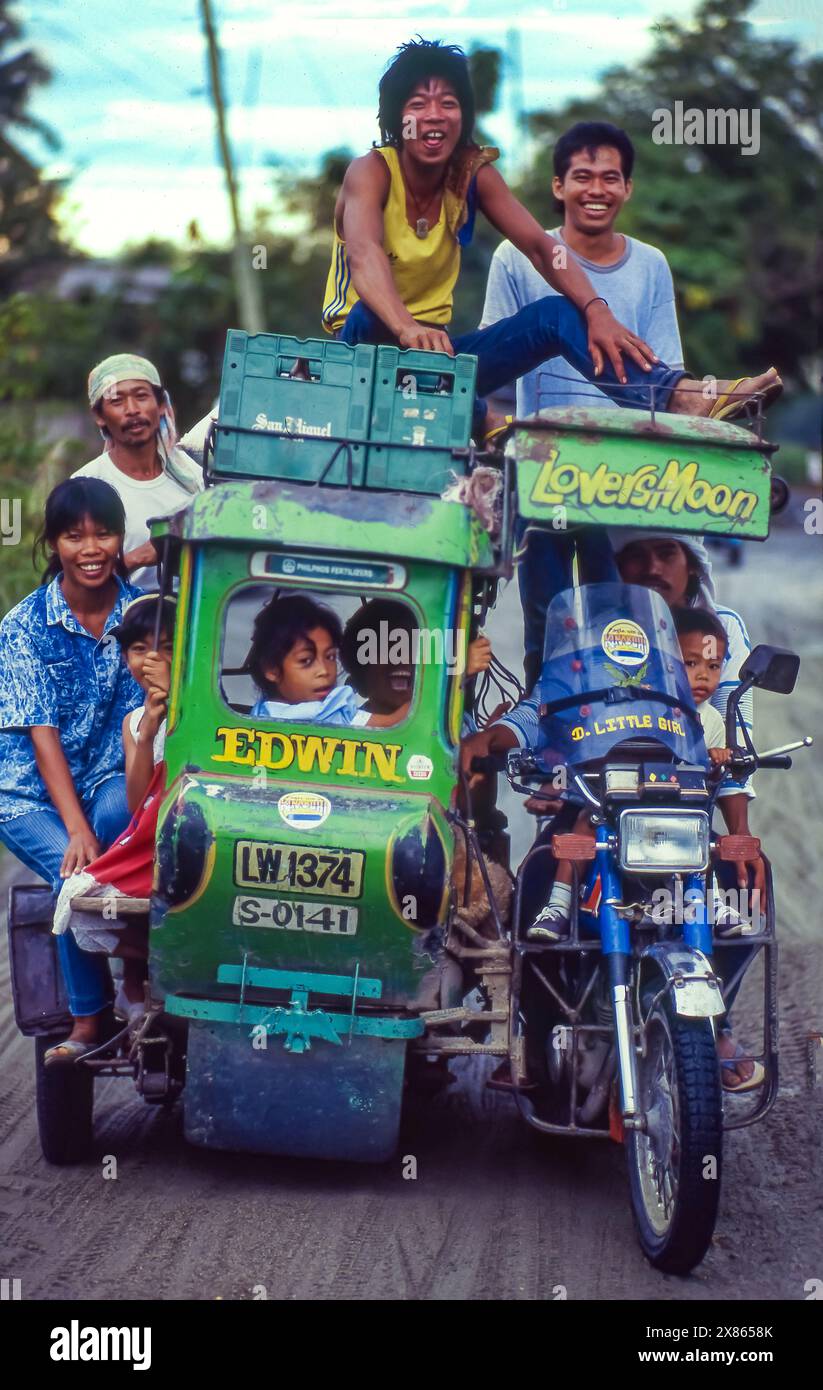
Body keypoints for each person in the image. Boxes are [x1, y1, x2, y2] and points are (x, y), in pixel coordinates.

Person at [323, 38, 780, 442]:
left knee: (559, 313)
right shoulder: (372, 171)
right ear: (397, 115)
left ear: (463, 115)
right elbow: (364, 257)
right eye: (418, 105)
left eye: (448, 103)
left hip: (442, 358)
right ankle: (479, 418)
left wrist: (596, 311)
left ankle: (676, 398)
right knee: (369, 317)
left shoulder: (471, 175)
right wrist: (407, 328)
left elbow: (543, 248)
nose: (434, 116)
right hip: (367, 348)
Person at [480, 120, 688, 683]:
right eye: (582, 177)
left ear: (627, 190)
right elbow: (496, 354)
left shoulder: (650, 265)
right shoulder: (515, 258)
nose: (596, 189)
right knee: (544, 610)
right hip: (538, 462)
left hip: (619, 468)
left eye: (610, 178)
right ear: (558, 186)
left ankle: (618, 721)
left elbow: (665, 368)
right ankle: (543, 724)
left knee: (616, 607)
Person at [0, 479, 143, 1063]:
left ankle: (138, 975)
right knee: (73, 873)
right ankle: (93, 1016)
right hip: (28, 791)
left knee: (120, 820)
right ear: (52, 543)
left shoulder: (144, 616)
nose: (90, 548)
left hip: (111, 775)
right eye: (73, 535)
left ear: (119, 539)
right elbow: (43, 738)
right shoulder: (22, 626)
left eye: (103, 533)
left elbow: (146, 724)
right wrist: (76, 829)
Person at [51, 594, 176, 1027]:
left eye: (167, 648)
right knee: (79, 892)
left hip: (188, 841)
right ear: (126, 659)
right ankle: (131, 988)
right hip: (149, 837)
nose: (151, 660)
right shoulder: (135, 721)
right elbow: (138, 801)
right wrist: (149, 734)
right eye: (139, 650)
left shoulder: (207, 712)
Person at [73, 354, 205, 590]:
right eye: (117, 401)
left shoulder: (195, 477)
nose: (132, 410)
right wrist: (139, 557)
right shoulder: (87, 487)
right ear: (100, 416)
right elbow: (74, 580)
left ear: (161, 404)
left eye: (141, 396)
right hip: (120, 621)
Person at [247, 594, 407, 728]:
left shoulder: (262, 712)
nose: (324, 671)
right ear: (271, 669)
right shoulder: (326, 712)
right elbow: (391, 722)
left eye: (330, 657)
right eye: (306, 660)